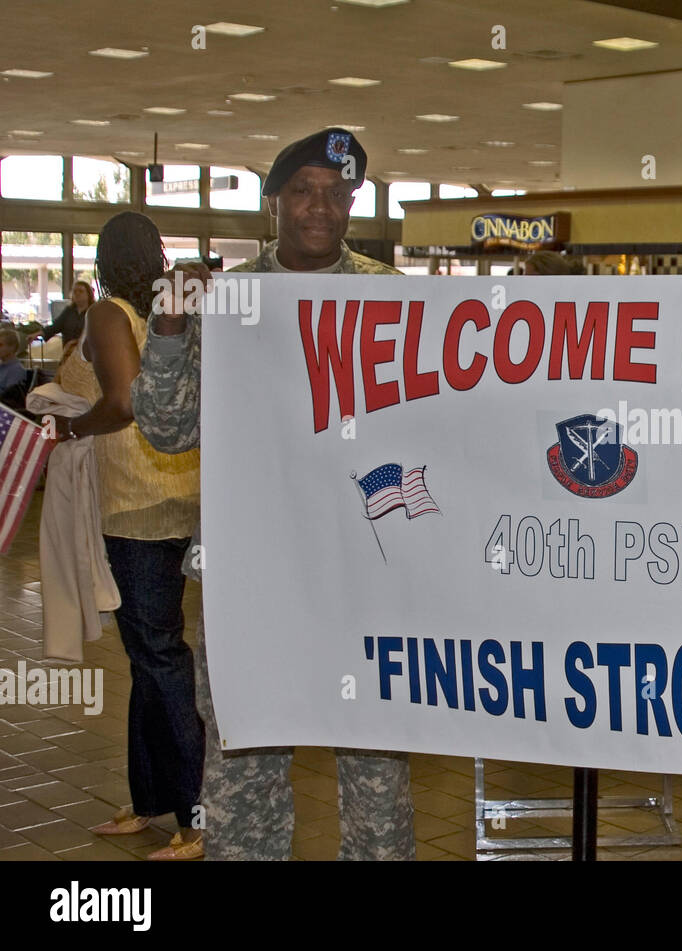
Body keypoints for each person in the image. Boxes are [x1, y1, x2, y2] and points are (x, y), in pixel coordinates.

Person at [131, 128, 416, 861]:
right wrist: (167, 328)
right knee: (246, 758)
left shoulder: (390, 297)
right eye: (302, 191)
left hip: (366, 568)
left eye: (336, 193)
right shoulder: (225, 299)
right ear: (274, 202)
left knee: (376, 756)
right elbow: (165, 432)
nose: (319, 207)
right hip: (253, 572)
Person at [53, 211, 205, 860]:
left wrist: (69, 429)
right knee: (150, 659)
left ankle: (199, 815)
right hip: (176, 495)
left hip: (135, 508)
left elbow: (121, 401)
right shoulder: (164, 312)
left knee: (161, 659)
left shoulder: (110, 315)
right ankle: (149, 798)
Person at [45, 280, 95, 347]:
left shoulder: (94, 312)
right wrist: (39, 333)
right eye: (74, 291)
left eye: (81, 291)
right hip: (68, 352)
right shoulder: (69, 311)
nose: (77, 294)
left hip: (87, 353)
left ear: (89, 294)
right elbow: (56, 326)